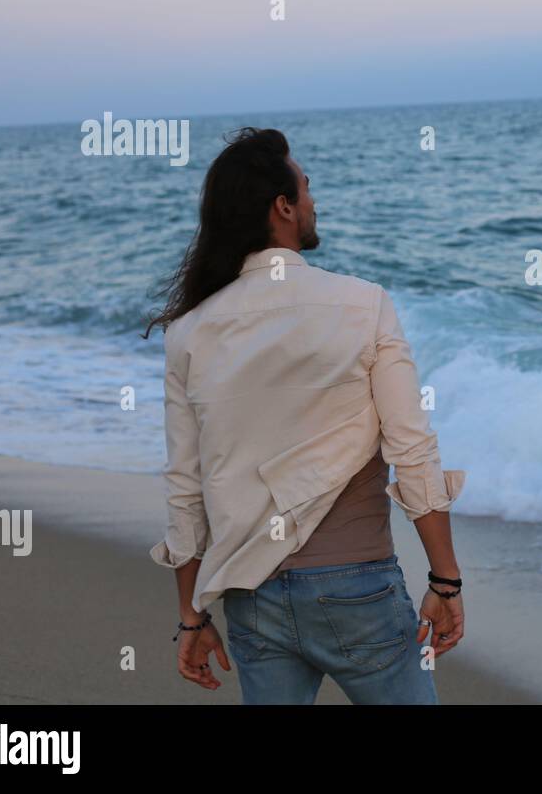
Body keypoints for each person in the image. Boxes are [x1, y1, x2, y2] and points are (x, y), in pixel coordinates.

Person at [141, 127, 466, 704]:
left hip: (250, 596)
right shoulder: (365, 305)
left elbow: (185, 489)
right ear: (283, 207)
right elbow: (411, 449)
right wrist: (445, 578)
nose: (314, 203)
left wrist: (191, 616)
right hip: (357, 592)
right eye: (307, 190)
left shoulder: (188, 332)